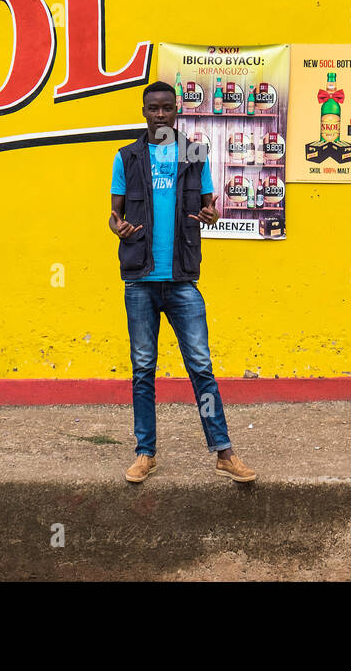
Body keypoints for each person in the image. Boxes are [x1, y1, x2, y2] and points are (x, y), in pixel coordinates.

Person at [109, 81, 256, 484]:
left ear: (176, 111)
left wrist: (211, 214)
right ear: (143, 111)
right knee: (143, 369)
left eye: (166, 108)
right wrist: (117, 227)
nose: (159, 114)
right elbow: (113, 214)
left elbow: (210, 205)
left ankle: (223, 452)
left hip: (181, 279)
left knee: (201, 366)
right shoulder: (127, 157)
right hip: (140, 278)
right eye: (153, 108)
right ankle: (145, 452)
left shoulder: (194, 152)